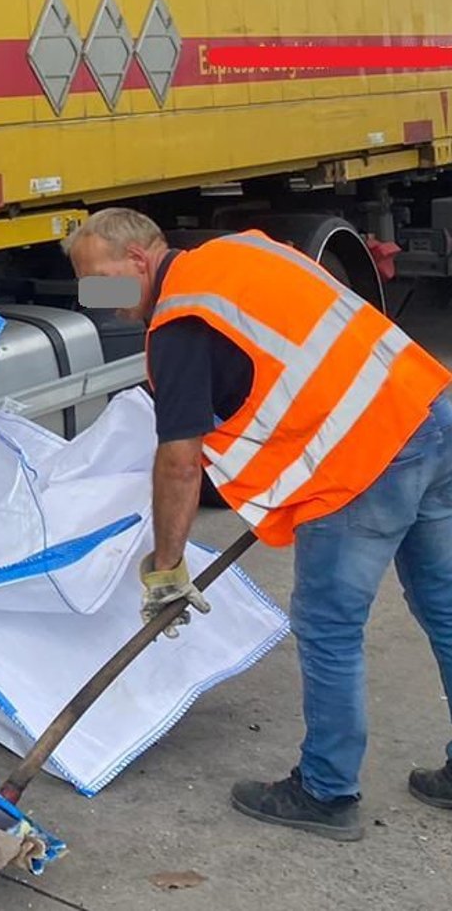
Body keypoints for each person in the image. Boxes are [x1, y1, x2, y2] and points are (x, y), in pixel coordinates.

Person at [65, 207, 452, 839]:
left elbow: (181, 462)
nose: (98, 301)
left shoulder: (181, 323)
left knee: (330, 629)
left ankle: (327, 793)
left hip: (364, 461)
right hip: (427, 411)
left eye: (99, 280)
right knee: (444, 606)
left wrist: (165, 568)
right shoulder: (239, 251)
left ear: (138, 260)